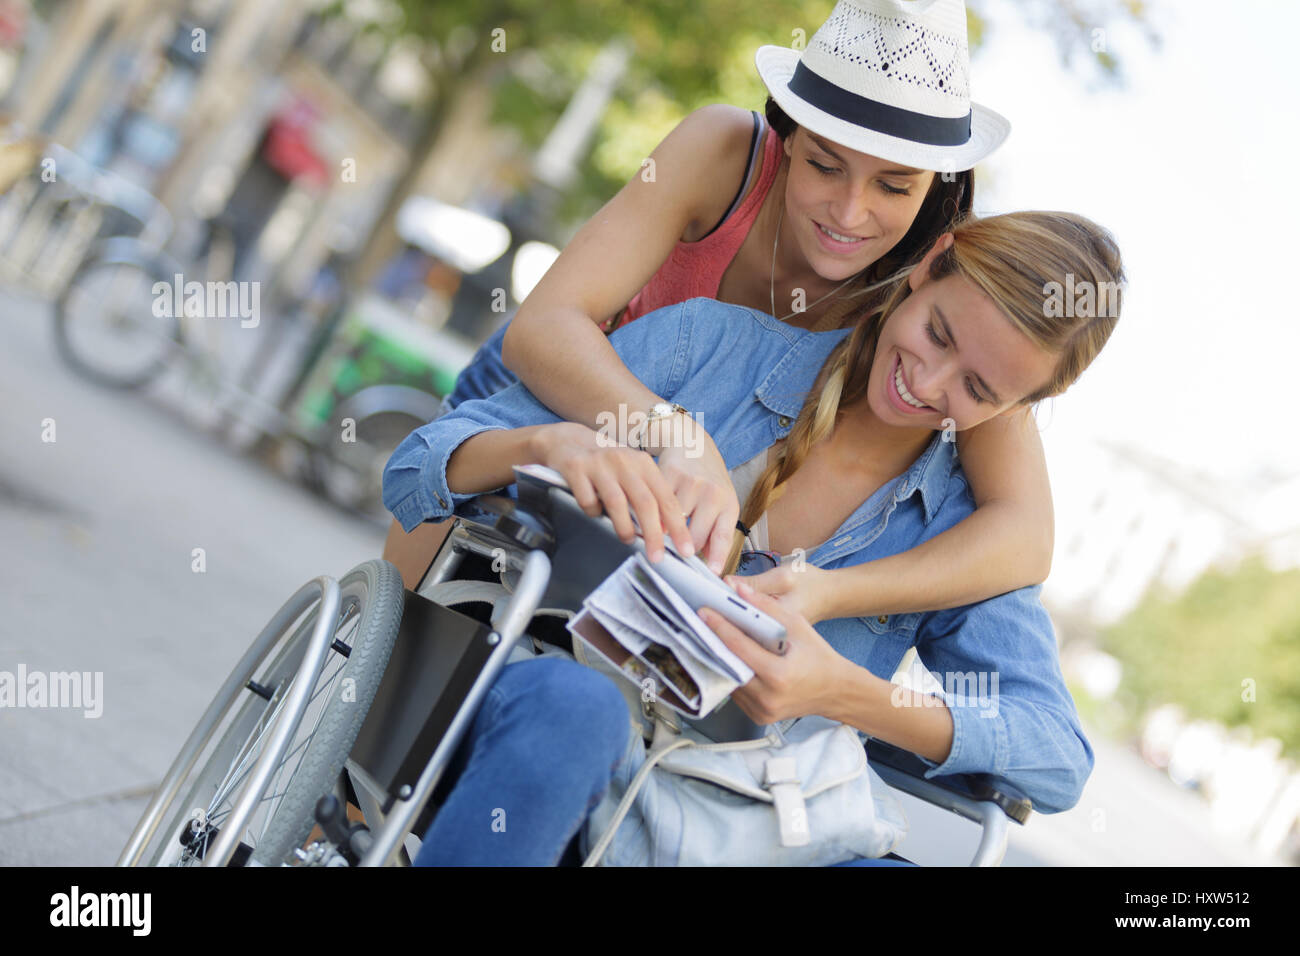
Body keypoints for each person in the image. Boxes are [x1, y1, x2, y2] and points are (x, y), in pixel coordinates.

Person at [382, 209, 1125, 865]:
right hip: (550, 729)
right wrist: (547, 446)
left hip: (734, 817)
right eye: (937, 333)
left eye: (980, 391)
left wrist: (845, 692)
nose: (928, 385)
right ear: (930, 266)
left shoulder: (957, 538)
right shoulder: (708, 348)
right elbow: (413, 467)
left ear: (1027, 406)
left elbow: (1055, 758)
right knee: (579, 710)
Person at [382, 0, 1057, 634]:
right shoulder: (723, 152)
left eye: (893, 186)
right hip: (543, 405)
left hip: (672, 513)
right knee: (403, 656)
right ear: (790, 135)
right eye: (826, 165)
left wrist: (832, 595)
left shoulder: (943, 295)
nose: (849, 215)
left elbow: (1025, 539)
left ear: (932, 187)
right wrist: (679, 436)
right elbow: (546, 326)